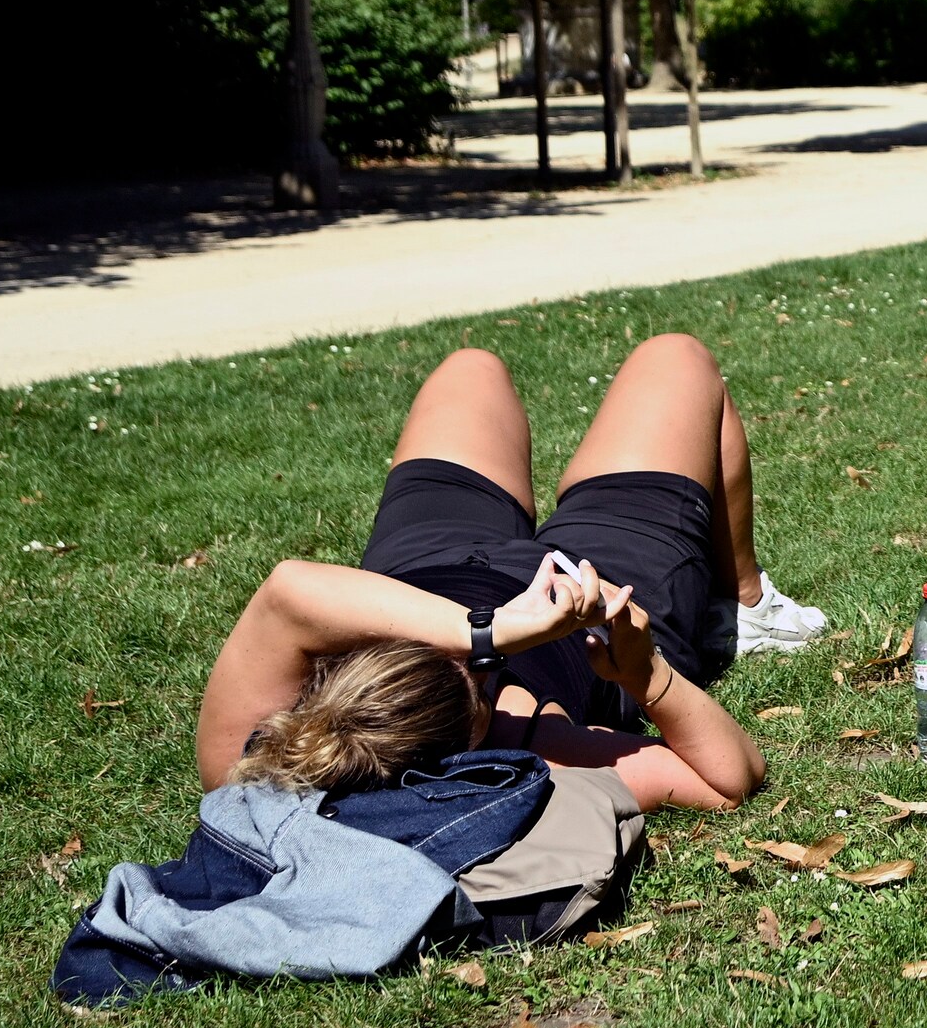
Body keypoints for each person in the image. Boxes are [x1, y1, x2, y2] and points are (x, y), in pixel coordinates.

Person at [196, 334, 826, 815]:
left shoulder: (254, 773)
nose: (480, 663)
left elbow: (288, 589)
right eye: (479, 673)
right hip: (594, 594)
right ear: (474, 743)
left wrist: (487, 632)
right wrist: (645, 671)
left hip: (427, 564)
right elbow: (729, 779)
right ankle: (744, 605)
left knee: (470, 368)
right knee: (677, 359)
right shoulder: (529, 742)